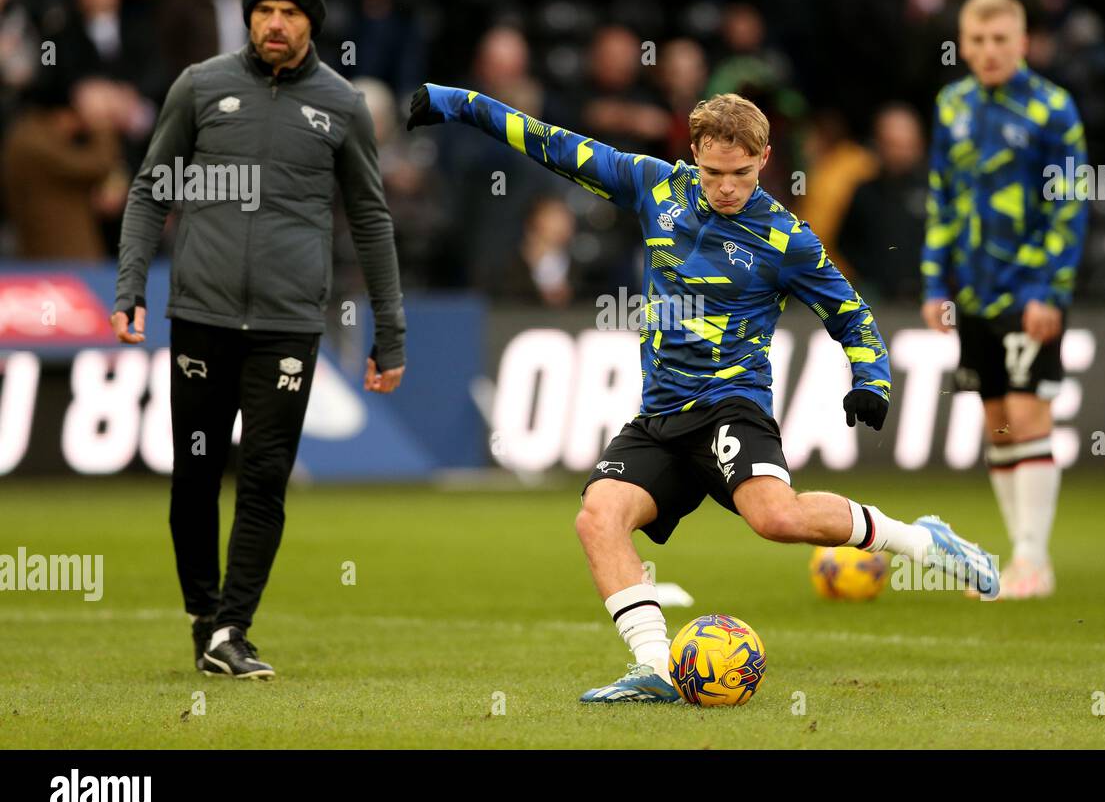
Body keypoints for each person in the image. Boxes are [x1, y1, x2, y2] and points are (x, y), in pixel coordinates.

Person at [408, 82, 1000, 704]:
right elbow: (554, 145)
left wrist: (871, 380)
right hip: (660, 415)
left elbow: (851, 315)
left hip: (731, 406)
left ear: (763, 159)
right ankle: (655, 669)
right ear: (692, 154)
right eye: (714, 172)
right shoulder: (651, 185)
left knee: (774, 517)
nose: (726, 187)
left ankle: (922, 541)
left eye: (741, 173)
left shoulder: (785, 240)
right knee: (597, 517)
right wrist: (453, 102)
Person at [111, 0, 406, 678]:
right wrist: (129, 288)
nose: (275, 23)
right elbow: (151, 189)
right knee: (195, 476)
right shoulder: (199, 87)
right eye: (264, 10)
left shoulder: (342, 105)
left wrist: (388, 332)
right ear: (249, 16)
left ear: (312, 21)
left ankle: (233, 626)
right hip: (201, 315)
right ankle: (203, 614)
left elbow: (370, 219)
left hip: (287, 325)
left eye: (290, 11)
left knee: (266, 477)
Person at [920, 0, 1088, 600]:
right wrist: (935, 283)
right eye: (979, 41)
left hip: (1029, 287)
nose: (989, 51)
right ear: (964, 45)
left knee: (1027, 413)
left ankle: (1031, 559)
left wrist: (1051, 290)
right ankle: (1020, 561)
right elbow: (941, 196)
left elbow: (1069, 206)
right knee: (995, 420)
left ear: (1022, 43)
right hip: (973, 291)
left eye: (1001, 40)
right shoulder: (951, 105)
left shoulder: (1053, 109)